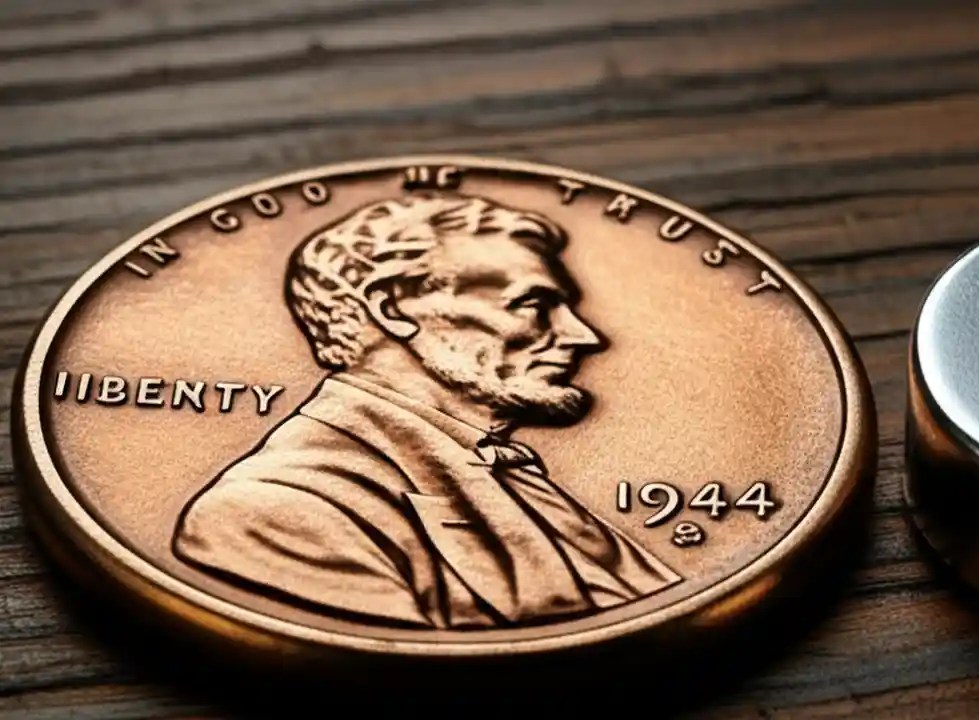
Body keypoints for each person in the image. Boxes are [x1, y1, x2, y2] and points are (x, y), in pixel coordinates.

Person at [172, 193, 681, 629]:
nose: (582, 336)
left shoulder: (509, 472)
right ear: (393, 309)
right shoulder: (273, 510)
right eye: (533, 303)